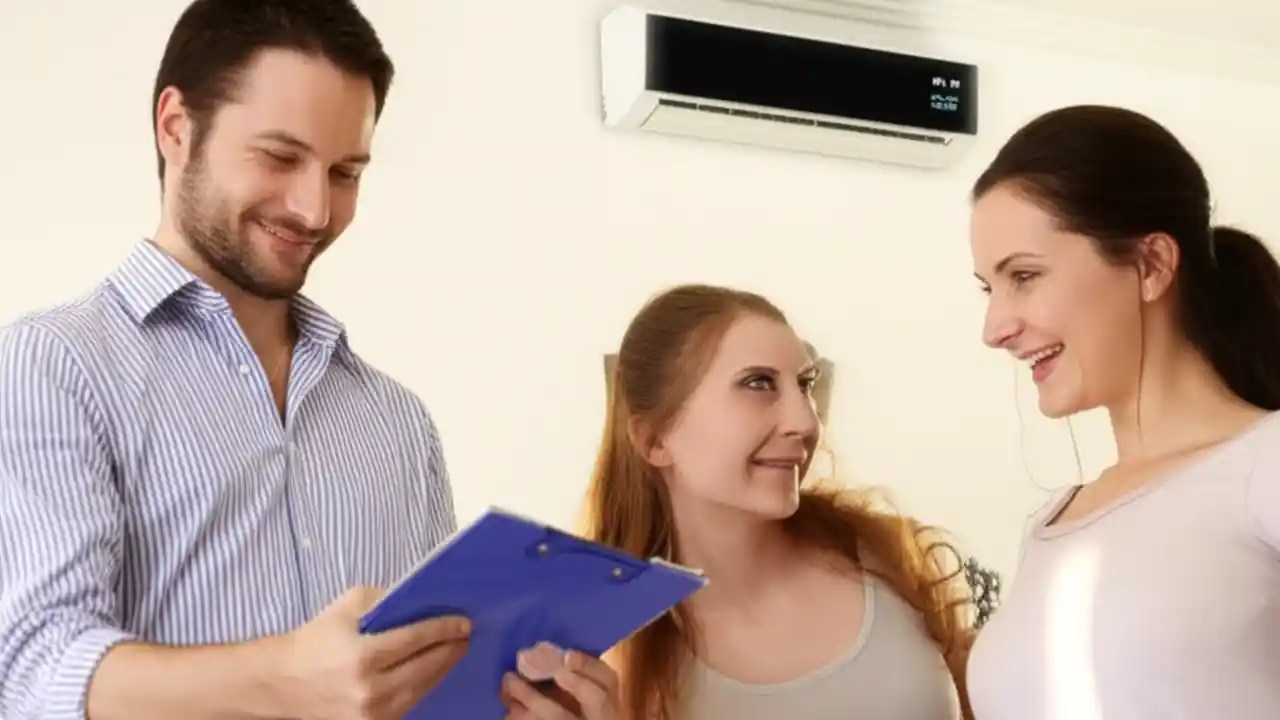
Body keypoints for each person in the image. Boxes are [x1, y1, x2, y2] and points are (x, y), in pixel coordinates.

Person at [0, 2, 472, 718]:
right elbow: (32, 676)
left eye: (345, 172)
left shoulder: (397, 421)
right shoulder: (55, 366)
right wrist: (285, 678)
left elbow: (430, 685)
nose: (315, 210)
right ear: (176, 128)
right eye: (280, 157)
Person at [501, 284, 977, 720]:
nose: (805, 422)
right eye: (758, 384)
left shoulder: (897, 560)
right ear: (653, 439)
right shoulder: (600, 661)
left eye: (805, 385)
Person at [966, 104, 1280, 719]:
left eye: (1024, 276)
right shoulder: (1048, 526)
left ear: (1151, 265)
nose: (995, 327)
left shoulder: (1264, 466)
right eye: (989, 288)